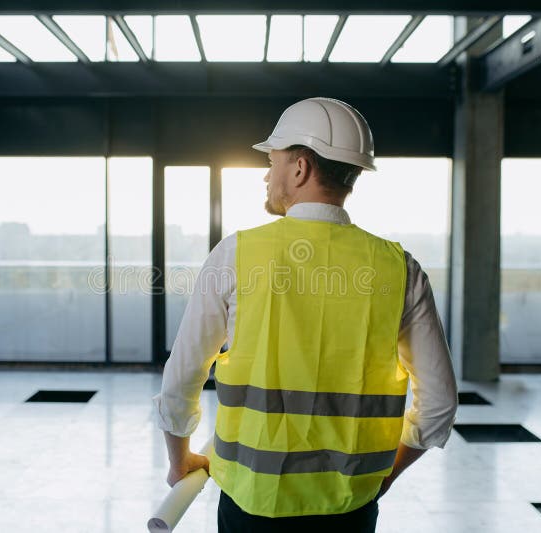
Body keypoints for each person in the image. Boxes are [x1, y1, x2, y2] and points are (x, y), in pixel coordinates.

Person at [153, 97, 458, 532]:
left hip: (252, 507)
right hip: (351, 511)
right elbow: (439, 407)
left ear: (299, 169)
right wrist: (383, 478)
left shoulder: (236, 255)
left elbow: (181, 379)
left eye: (272, 161)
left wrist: (179, 460)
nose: (266, 174)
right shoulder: (400, 268)